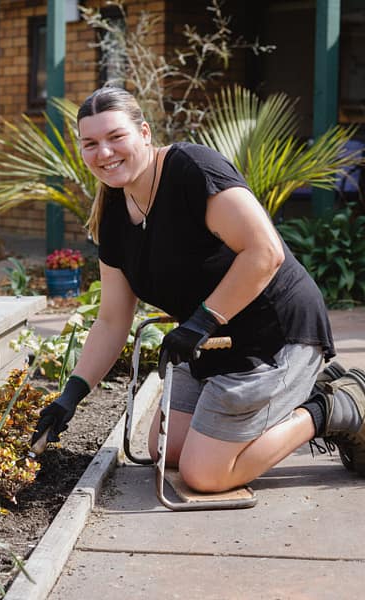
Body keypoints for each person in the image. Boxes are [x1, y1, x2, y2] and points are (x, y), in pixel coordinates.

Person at [30, 86, 365, 492]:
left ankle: (336, 407)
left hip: (273, 335)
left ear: (145, 134)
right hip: (209, 342)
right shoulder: (113, 213)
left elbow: (265, 252)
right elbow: (112, 319)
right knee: (164, 451)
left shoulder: (194, 170)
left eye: (116, 137)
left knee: (203, 474)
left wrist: (203, 320)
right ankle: (301, 391)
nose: (104, 152)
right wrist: (71, 395)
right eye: (91, 143)